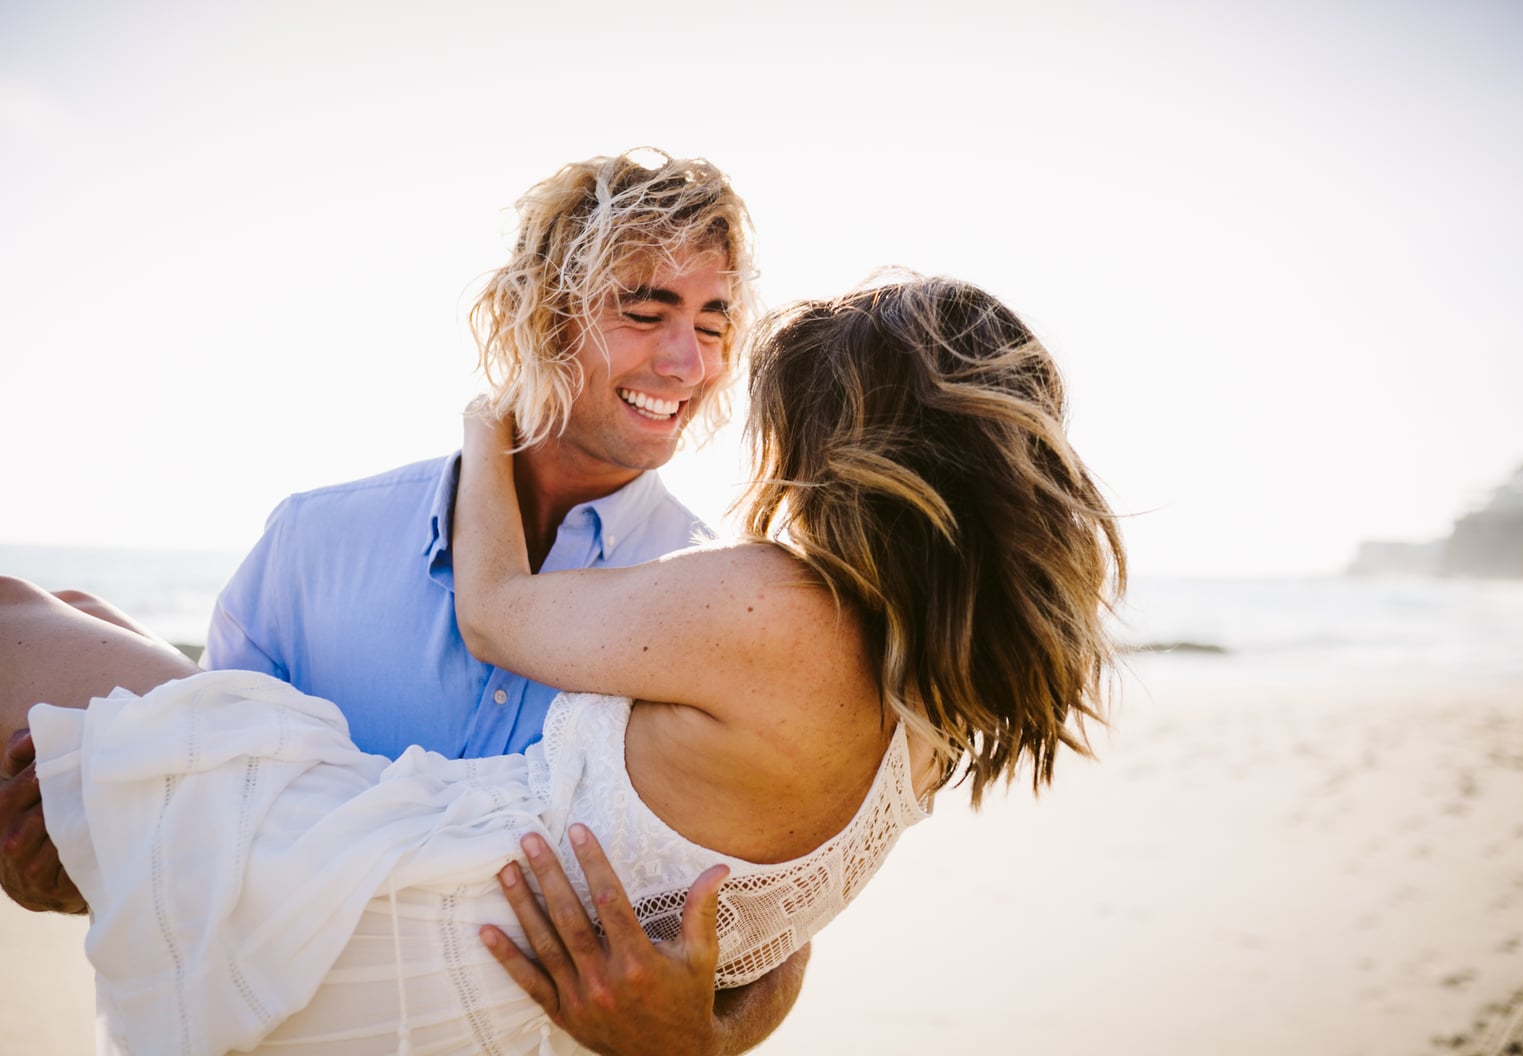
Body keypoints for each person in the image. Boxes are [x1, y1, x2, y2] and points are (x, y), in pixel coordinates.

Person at [0, 274, 1124, 1056]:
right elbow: (760, 920)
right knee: (82, 626)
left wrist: (491, 415)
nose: (691, 367)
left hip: (378, 931)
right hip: (428, 956)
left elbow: (495, 614)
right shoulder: (929, 703)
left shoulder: (764, 601)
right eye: (646, 312)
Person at [0, 148, 808, 1055]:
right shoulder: (313, 544)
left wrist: (697, 1039)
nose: (683, 360)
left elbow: (774, 927)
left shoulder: (723, 599)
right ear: (544, 313)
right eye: (645, 308)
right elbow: (200, 813)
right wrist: (81, 856)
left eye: (712, 321)